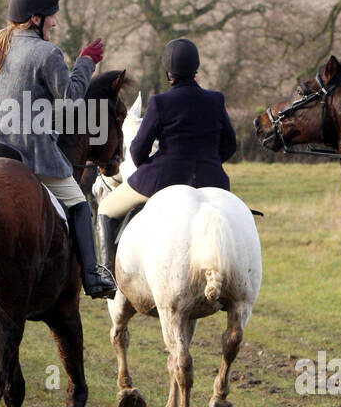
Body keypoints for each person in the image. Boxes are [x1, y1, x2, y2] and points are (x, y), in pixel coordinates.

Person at [0, 0, 115, 299]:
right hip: (30, 154)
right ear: (35, 19)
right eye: (51, 18)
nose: (55, 24)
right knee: (78, 203)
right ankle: (92, 276)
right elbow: (72, 98)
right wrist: (86, 62)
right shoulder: (48, 53)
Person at [96, 38, 237, 273]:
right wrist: (209, 161)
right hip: (212, 180)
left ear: (169, 73)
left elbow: (138, 151)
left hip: (163, 180)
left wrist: (150, 164)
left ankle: (107, 274)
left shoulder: (160, 102)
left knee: (106, 209)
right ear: (196, 69)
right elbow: (230, 145)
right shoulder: (216, 100)